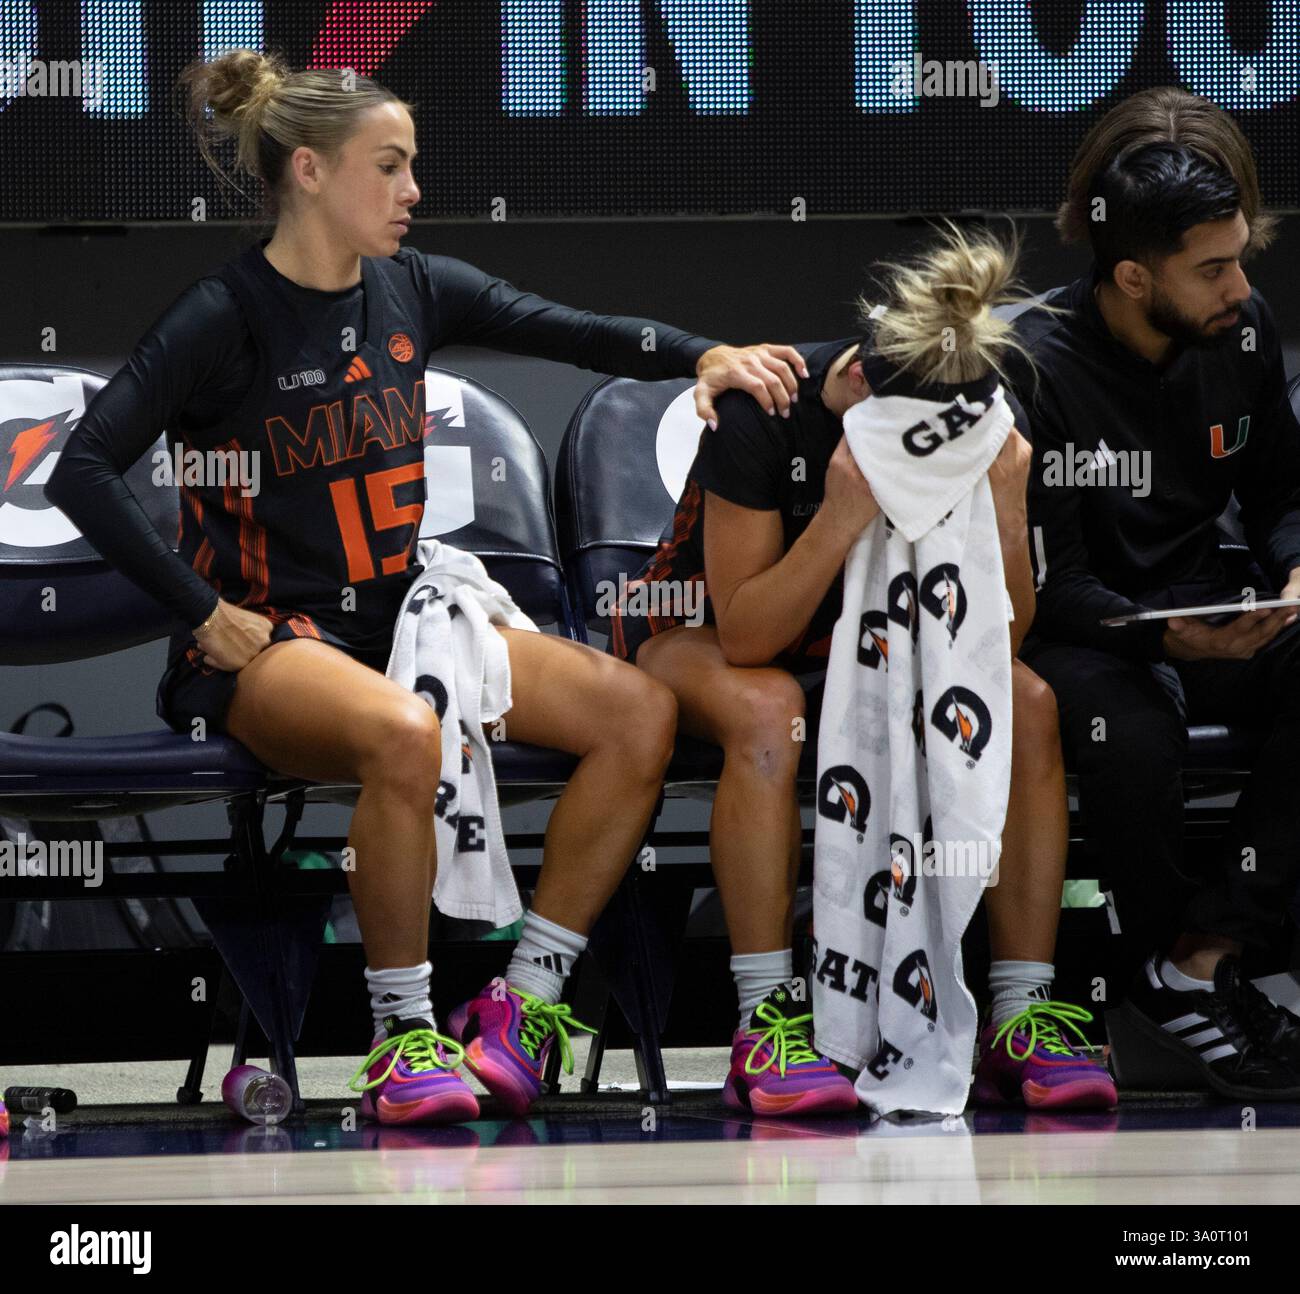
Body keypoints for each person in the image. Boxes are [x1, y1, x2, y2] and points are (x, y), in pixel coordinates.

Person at [44, 49, 808, 1125]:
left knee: (637, 712)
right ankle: (401, 1038)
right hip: (277, 646)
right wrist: (203, 612)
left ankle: (522, 1004)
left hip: (405, 616)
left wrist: (705, 355)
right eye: (390, 167)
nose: (414, 192)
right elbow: (81, 467)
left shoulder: (414, 286)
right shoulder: (222, 314)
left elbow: (573, 329)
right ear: (308, 171)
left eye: (414, 168)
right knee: (403, 733)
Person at [613, 225, 1117, 1112]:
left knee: (1030, 704)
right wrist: (841, 514)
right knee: (770, 710)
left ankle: (1018, 1013)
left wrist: (1002, 504)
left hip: (884, 643)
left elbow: (1005, 635)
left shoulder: (979, 417)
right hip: (701, 630)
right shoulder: (763, 410)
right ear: (857, 387)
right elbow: (746, 634)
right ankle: (766, 1015)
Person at [1007, 136, 1300, 1101]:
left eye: (1240, 259)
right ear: (1133, 276)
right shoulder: (1037, 366)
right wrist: (1158, 636)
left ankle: (1201, 960)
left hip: (1206, 598)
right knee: (1130, 728)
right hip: (1081, 629)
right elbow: (1050, 582)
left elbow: (1278, 494)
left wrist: (1294, 569)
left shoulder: (1241, 331)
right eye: (1211, 268)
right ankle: (1165, 982)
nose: (1238, 285)